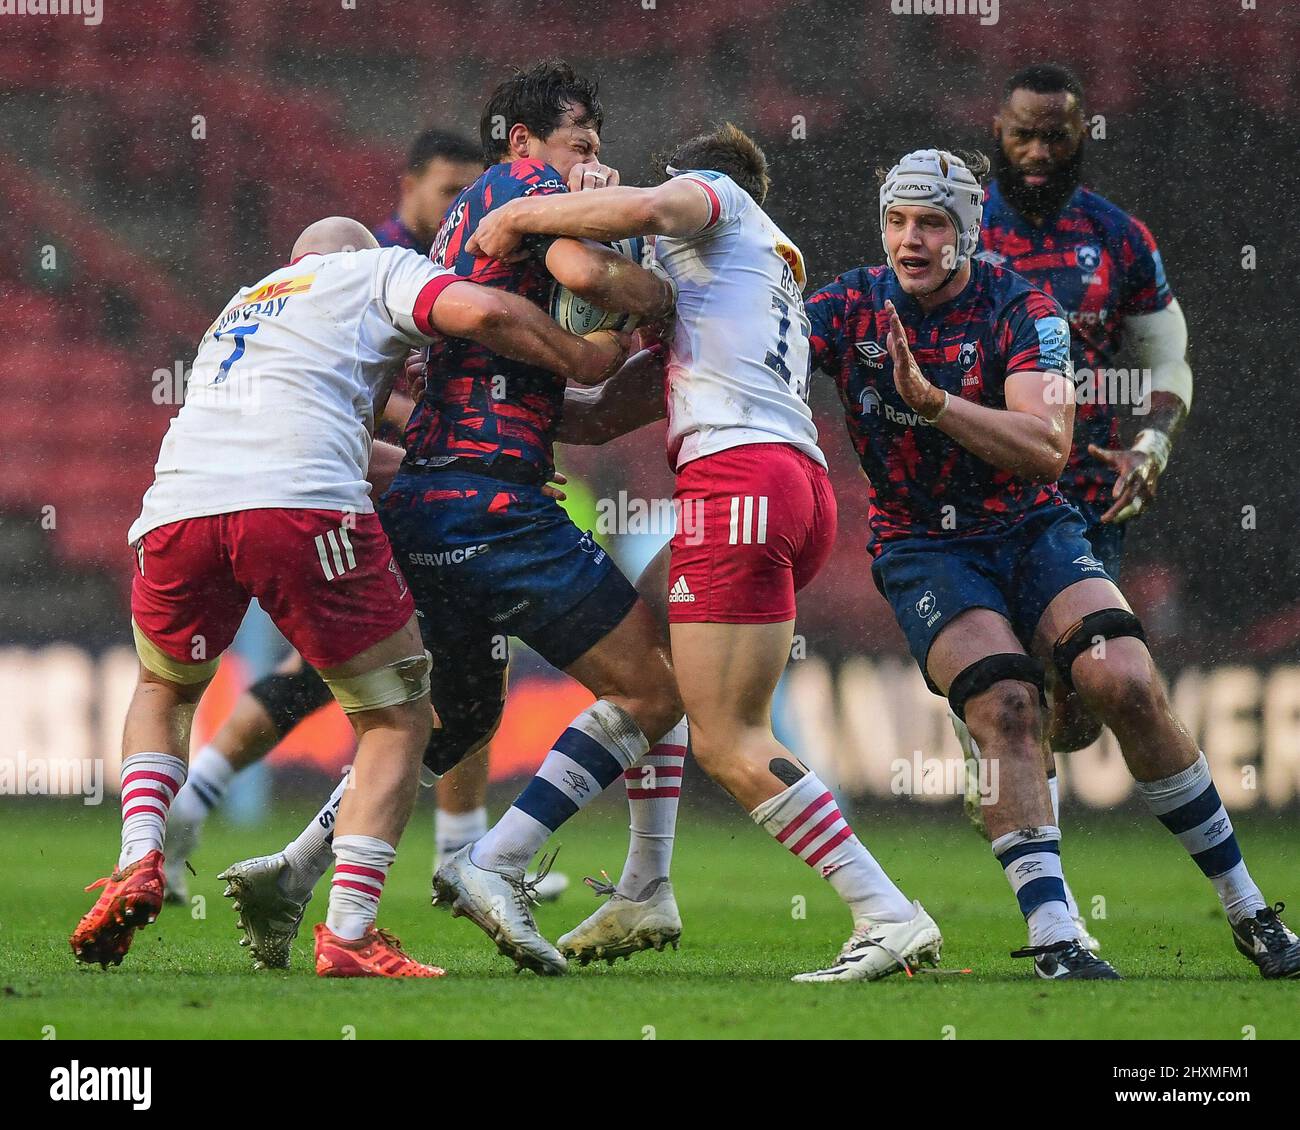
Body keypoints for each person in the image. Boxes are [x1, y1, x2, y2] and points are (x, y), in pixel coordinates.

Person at [217, 61, 684, 977]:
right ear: (524, 141)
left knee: (457, 718)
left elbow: (579, 406)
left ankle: (295, 869)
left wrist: (644, 373)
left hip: (430, 500)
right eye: (581, 144)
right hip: (496, 503)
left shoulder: (465, 223)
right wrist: (662, 296)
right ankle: (495, 864)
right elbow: (591, 274)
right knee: (653, 691)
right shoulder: (526, 188)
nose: (595, 162)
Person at [70, 216, 629, 979]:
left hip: (178, 509)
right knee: (399, 717)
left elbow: (315, 429)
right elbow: (490, 313)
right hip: (300, 506)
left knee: (163, 689)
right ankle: (350, 933)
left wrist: (429, 467)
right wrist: (585, 356)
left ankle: (139, 856)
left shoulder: (243, 304)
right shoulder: (373, 271)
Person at [461, 122, 942, 983]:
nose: (655, 218)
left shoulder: (721, 203)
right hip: (781, 484)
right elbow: (604, 412)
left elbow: (651, 204)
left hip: (741, 486)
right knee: (645, 666)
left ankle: (888, 913)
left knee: (730, 740)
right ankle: (640, 882)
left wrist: (527, 217)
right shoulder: (736, 288)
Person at [806, 149, 1298, 980]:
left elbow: (1047, 447)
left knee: (1125, 682)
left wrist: (934, 404)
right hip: (923, 546)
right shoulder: (851, 303)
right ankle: (1056, 937)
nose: (910, 240)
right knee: (1006, 703)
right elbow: (753, 346)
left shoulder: (1023, 308)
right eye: (897, 221)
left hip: (1032, 526)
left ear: (966, 232)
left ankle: (1251, 911)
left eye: (931, 223)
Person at [161, 128, 570, 908]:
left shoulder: (460, 257)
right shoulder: (371, 259)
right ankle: (437, 864)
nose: (461, 204)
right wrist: (454, 444)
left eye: (469, 189)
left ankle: (199, 809)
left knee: (385, 666)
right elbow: (363, 381)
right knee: (415, 666)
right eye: (447, 190)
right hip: (352, 480)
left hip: (381, 480)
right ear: (407, 187)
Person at [954, 66, 1196, 937]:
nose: (1036, 151)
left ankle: (1012, 744)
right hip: (975, 505)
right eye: (1022, 132)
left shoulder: (1118, 238)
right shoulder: (961, 227)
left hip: (1085, 501)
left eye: (1055, 135)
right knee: (1007, 705)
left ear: (1084, 132)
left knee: (1075, 718)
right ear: (996, 126)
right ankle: (1050, 910)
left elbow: (1166, 354)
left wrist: (1152, 439)